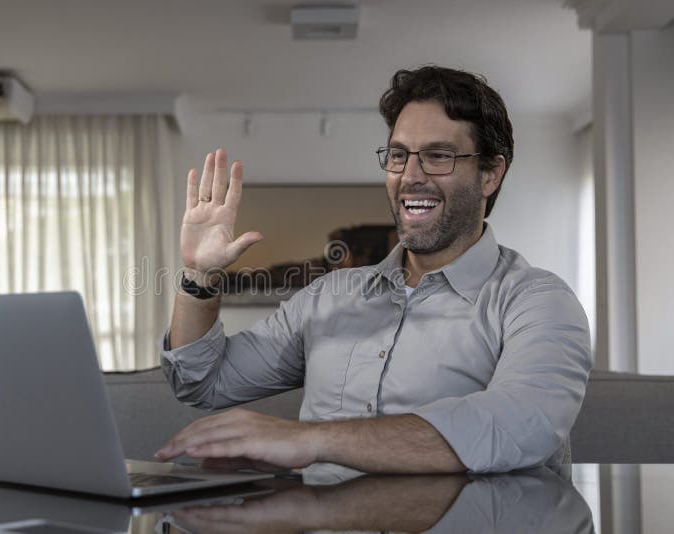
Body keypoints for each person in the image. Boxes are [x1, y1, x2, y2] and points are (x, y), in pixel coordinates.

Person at [155, 66, 592, 474]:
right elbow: (203, 382)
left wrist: (312, 440)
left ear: (490, 174)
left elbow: (516, 425)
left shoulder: (537, 302)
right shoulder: (328, 297)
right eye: (399, 155)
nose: (410, 176)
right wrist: (199, 275)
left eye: (438, 156)